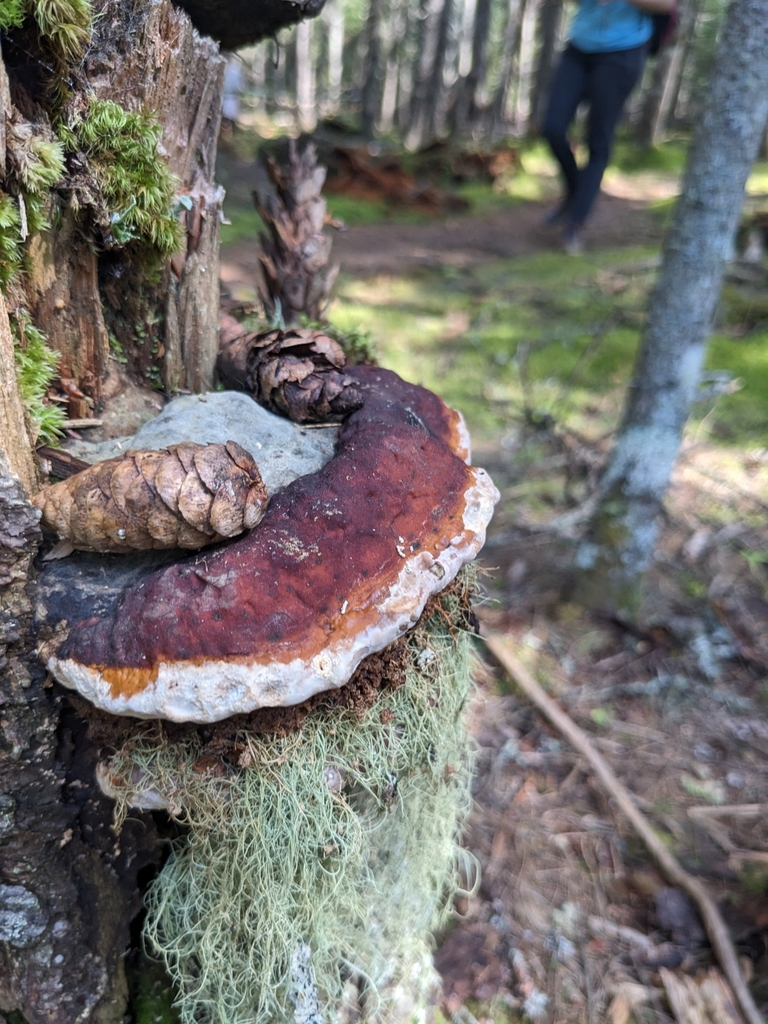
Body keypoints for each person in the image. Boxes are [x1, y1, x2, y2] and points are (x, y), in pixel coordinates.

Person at [541, 0, 674, 254]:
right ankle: (576, 191)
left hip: (622, 52)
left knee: (598, 141)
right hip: (579, 46)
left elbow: (666, 5)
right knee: (552, 128)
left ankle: (575, 224)